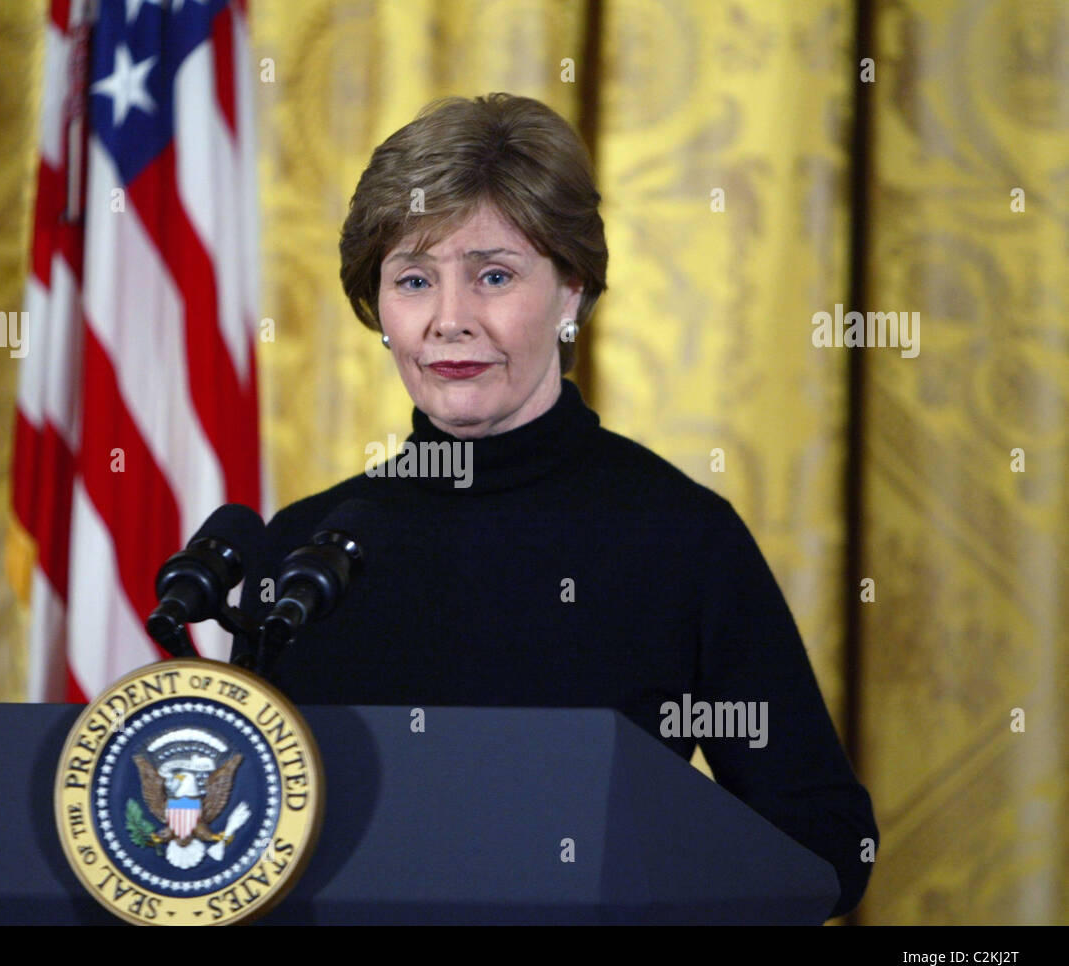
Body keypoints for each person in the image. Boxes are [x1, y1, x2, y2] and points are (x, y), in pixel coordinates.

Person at [231, 93, 877, 920]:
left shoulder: (681, 537)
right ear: (379, 308)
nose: (450, 321)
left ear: (571, 291)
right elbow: (241, 832)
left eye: (494, 275)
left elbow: (826, 842)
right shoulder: (306, 549)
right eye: (415, 280)